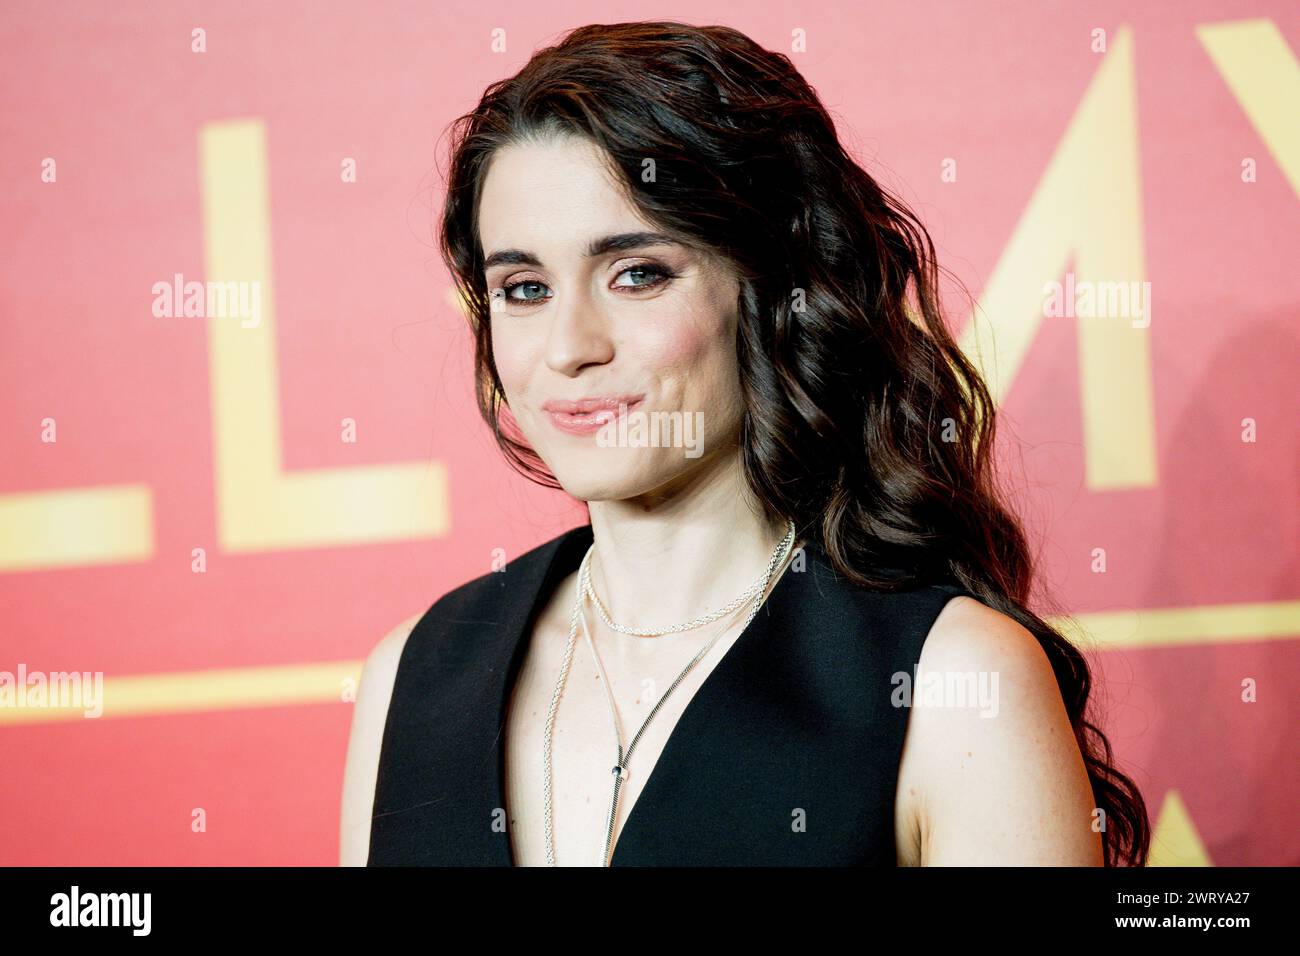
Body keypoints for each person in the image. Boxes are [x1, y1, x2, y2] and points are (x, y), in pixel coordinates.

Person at [340, 21, 1149, 867]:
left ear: (773, 290)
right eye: (524, 288)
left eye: (638, 273)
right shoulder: (415, 679)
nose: (569, 346)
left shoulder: (954, 684)